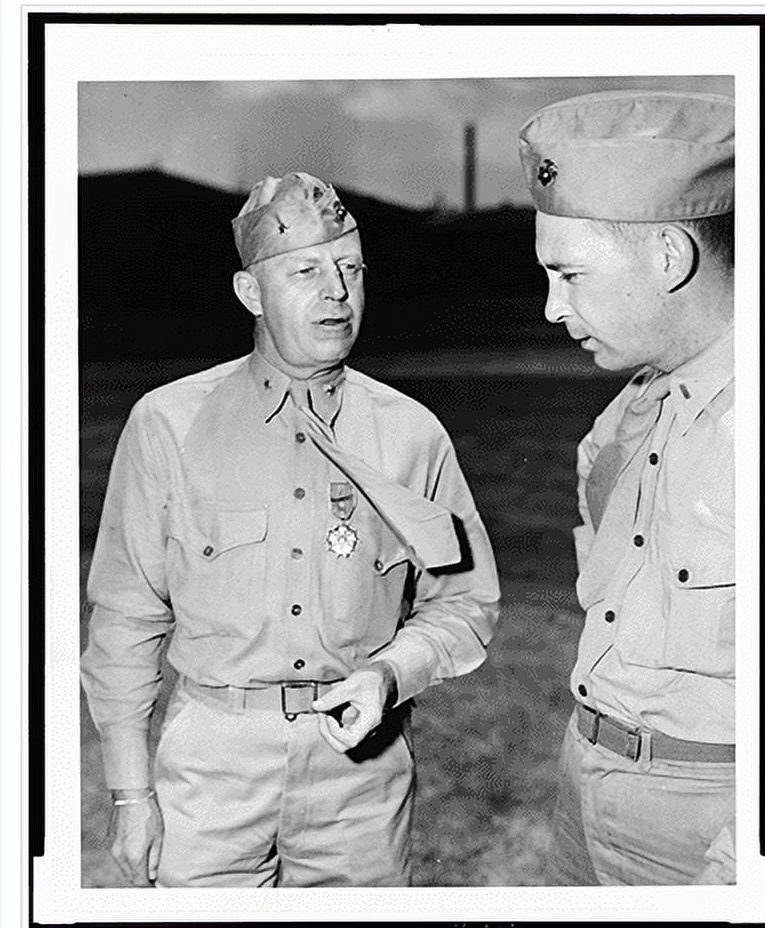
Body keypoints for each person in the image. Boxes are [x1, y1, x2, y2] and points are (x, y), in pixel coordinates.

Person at [81, 171, 500, 888]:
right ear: (251, 292)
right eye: (305, 272)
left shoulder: (411, 435)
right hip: (209, 774)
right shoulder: (169, 424)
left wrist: (388, 673)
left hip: (359, 773)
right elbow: (125, 618)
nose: (336, 292)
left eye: (351, 269)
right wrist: (128, 793)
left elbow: (465, 603)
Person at [518, 91, 737, 885]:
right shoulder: (620, 423)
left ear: (669, 257)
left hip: (711, 831)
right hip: (585, 791)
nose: (553, 308)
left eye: (570, 274)